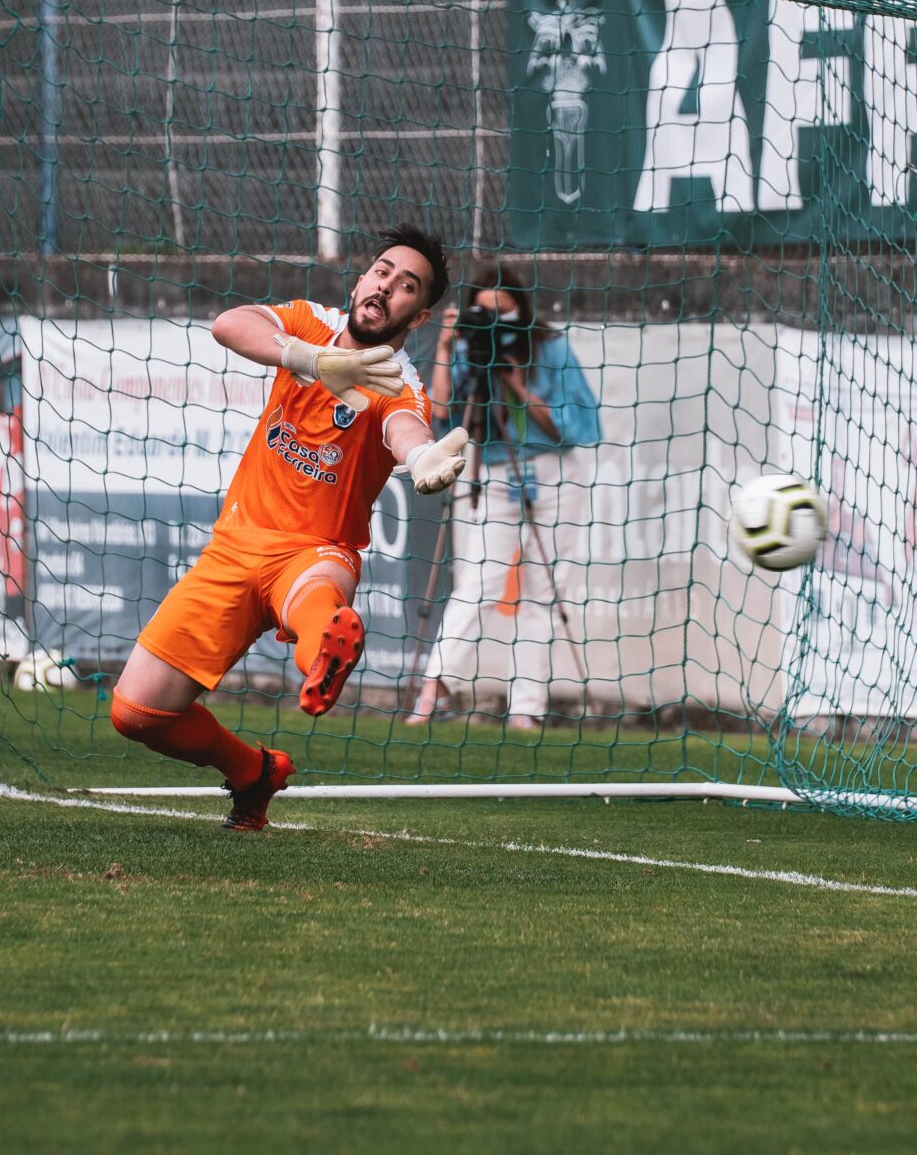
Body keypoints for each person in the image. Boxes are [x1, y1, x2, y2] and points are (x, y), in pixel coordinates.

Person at [109, 225, 470, 831]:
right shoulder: (309, 323)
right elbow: (230, 324)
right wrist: (307, 357)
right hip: (233, 550)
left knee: (321, 610)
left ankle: (329, 645)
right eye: (382, 272)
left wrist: (423, 457)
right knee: (137, 713)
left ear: (420, 313)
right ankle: (255, 772)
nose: (387, 287)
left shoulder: (397, 384)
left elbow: (405, 428)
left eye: (407, 286)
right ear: (362, 280)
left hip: (315, 553)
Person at [406, 261, 601, 729]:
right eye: (484, 314)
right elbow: (443, 414)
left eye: (503, 315)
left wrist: (516, 382)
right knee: (479, 582)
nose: (493, 325)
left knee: (543, 591)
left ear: (522, 311)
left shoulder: (550, 347)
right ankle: (433, 692)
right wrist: (452, 344)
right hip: (493, 471)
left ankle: (526, 712)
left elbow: (574, 426)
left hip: (554, 472)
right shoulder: (470, 349)